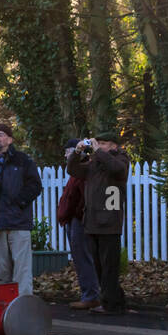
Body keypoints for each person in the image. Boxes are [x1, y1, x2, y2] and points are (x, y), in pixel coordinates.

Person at [66, 131, 128, 314]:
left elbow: (117, 169)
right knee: (99, 266)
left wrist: (97, 151)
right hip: (92, 221)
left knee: (109, 266)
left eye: (103, 143)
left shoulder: (121, 159)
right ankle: (114, 301)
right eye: (97, 142)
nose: (98, 146)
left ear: (114, 146)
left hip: (109, 221)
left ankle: (111, 305)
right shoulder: (94, 163)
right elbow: (73, 170)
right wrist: (77, 153)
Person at [0, 123, 42, 296]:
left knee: (22, 269)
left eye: (0, 134)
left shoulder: (23, 160)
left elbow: (35, 185)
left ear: (10, 139)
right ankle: (2, 307)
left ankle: (24, 305)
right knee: (0, 270)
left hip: (19, 223)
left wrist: (19, 202)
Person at [56, 138, 100, 309]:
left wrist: (76, 214)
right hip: (73, 219)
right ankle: (89, 293)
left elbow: (83, 197)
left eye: (68, 151)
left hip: (79, 220)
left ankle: (90, 295)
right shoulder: (76, 172)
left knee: (83, 258)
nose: (66, 155)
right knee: (80, 258)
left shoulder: (83, 171)